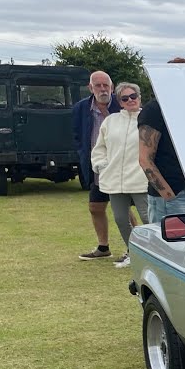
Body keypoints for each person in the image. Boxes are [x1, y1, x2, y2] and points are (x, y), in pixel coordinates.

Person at [90, 82, 149, 269]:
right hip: (114, 180)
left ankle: (157, 256)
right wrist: (101, 166)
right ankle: (132, 252)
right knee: (121, 219)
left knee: (149, 220)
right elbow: (99, 148)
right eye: (125, 98)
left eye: (133, 96)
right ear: (120, 102)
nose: (130, 100)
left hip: (141, 179)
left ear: (139, 98)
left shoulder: (148, 119)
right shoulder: (111, 121)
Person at [139, 58, 185, 226]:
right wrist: (169, 196)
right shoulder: (155, 109)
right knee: (172, 248)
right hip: (174, 194)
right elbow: (145, 159)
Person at [72, 70, 121, 260]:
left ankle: (132, 249)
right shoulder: (80, 108)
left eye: (106, 85)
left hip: (119, 166)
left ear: (112, 87)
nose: (103, 89)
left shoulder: (122, 105)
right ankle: (103, 247)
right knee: (95, 207)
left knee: (122, 210)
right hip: (97, 168)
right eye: (98, 85)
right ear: (90, 88)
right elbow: (78, 135)